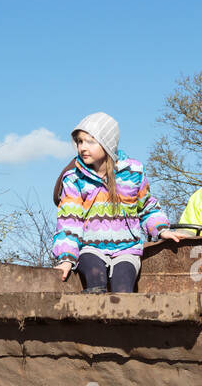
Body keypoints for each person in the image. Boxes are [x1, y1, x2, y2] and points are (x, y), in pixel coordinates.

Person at [51, 112, 183, 292]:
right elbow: (69, 221)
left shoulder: (133, 172)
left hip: (126, 249)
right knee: (96, 278)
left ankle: (122, 319)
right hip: (90, 248)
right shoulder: (75, 178)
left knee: (123, 287)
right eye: (80, 142)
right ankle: (93, 317)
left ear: (107, 143)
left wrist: (162, 229)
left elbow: (146, 207)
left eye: (90, 141)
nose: (82, 147)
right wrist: (66, 258)